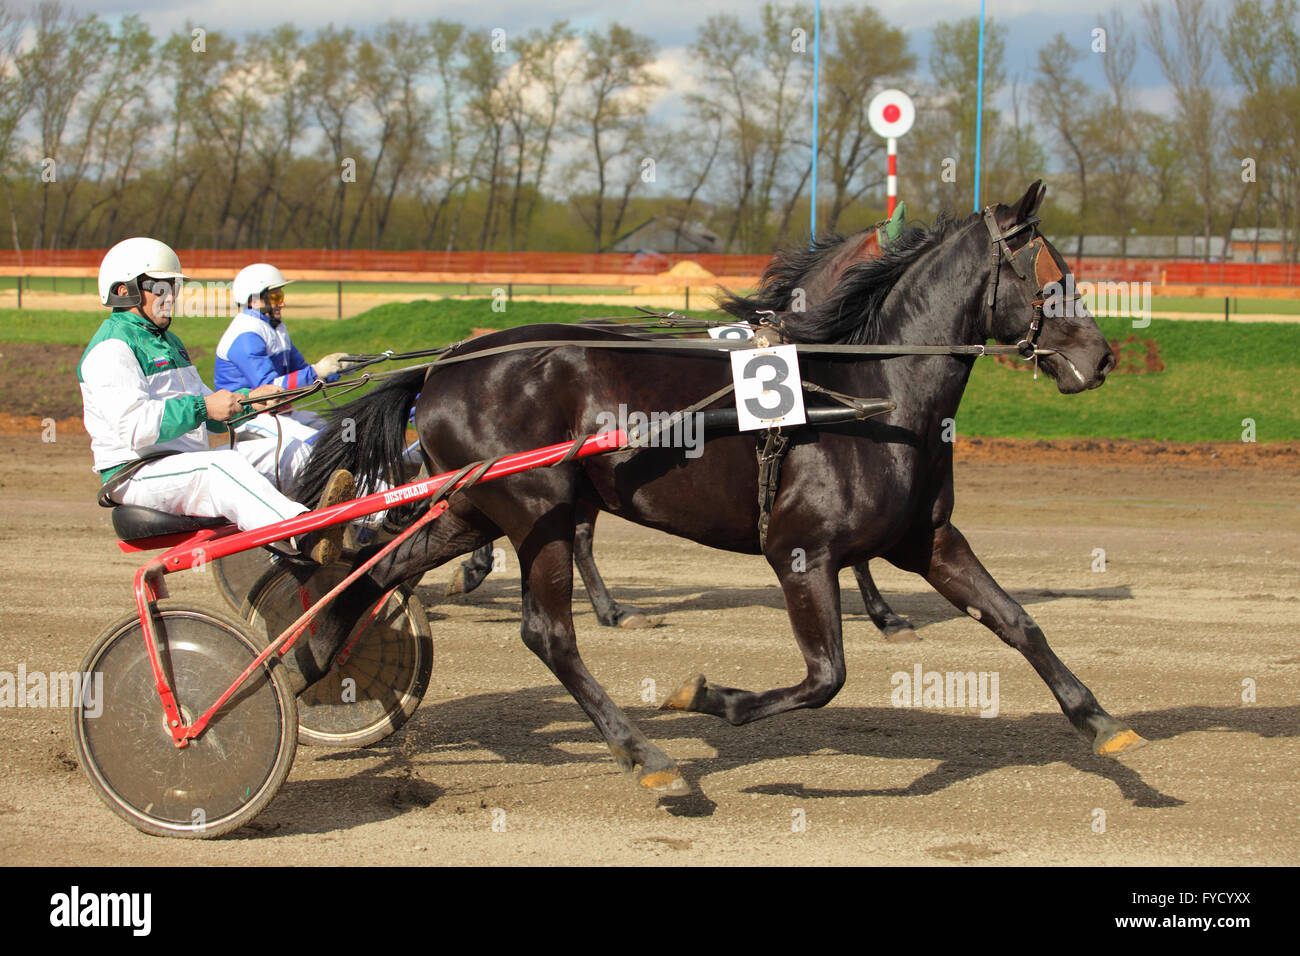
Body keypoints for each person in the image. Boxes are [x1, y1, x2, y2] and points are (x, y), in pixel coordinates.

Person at [78, 237, 353, 564]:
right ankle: (305, 533)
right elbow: (137, 427)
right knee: (221, 466)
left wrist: (250, 401)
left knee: (280, 449)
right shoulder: (111, 349)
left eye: (172, 288)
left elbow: (208, 406)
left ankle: (378, 516)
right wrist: (203, 408)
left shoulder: (168, 342)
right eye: (160, 288)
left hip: (181, 461)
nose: (170, 298)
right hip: (136, 474)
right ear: (124, 291)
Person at [214, 263, 350, 485]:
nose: (283, 303)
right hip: (252, 417)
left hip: (283, 412)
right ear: (254, 300)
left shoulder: (275, 328)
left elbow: (300, 371)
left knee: (343, 432)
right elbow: (268, 387)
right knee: (317, 448)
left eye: (281, 296)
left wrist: (335, 371)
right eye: (276, 297)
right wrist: (317, 370)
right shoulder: (246, 334)